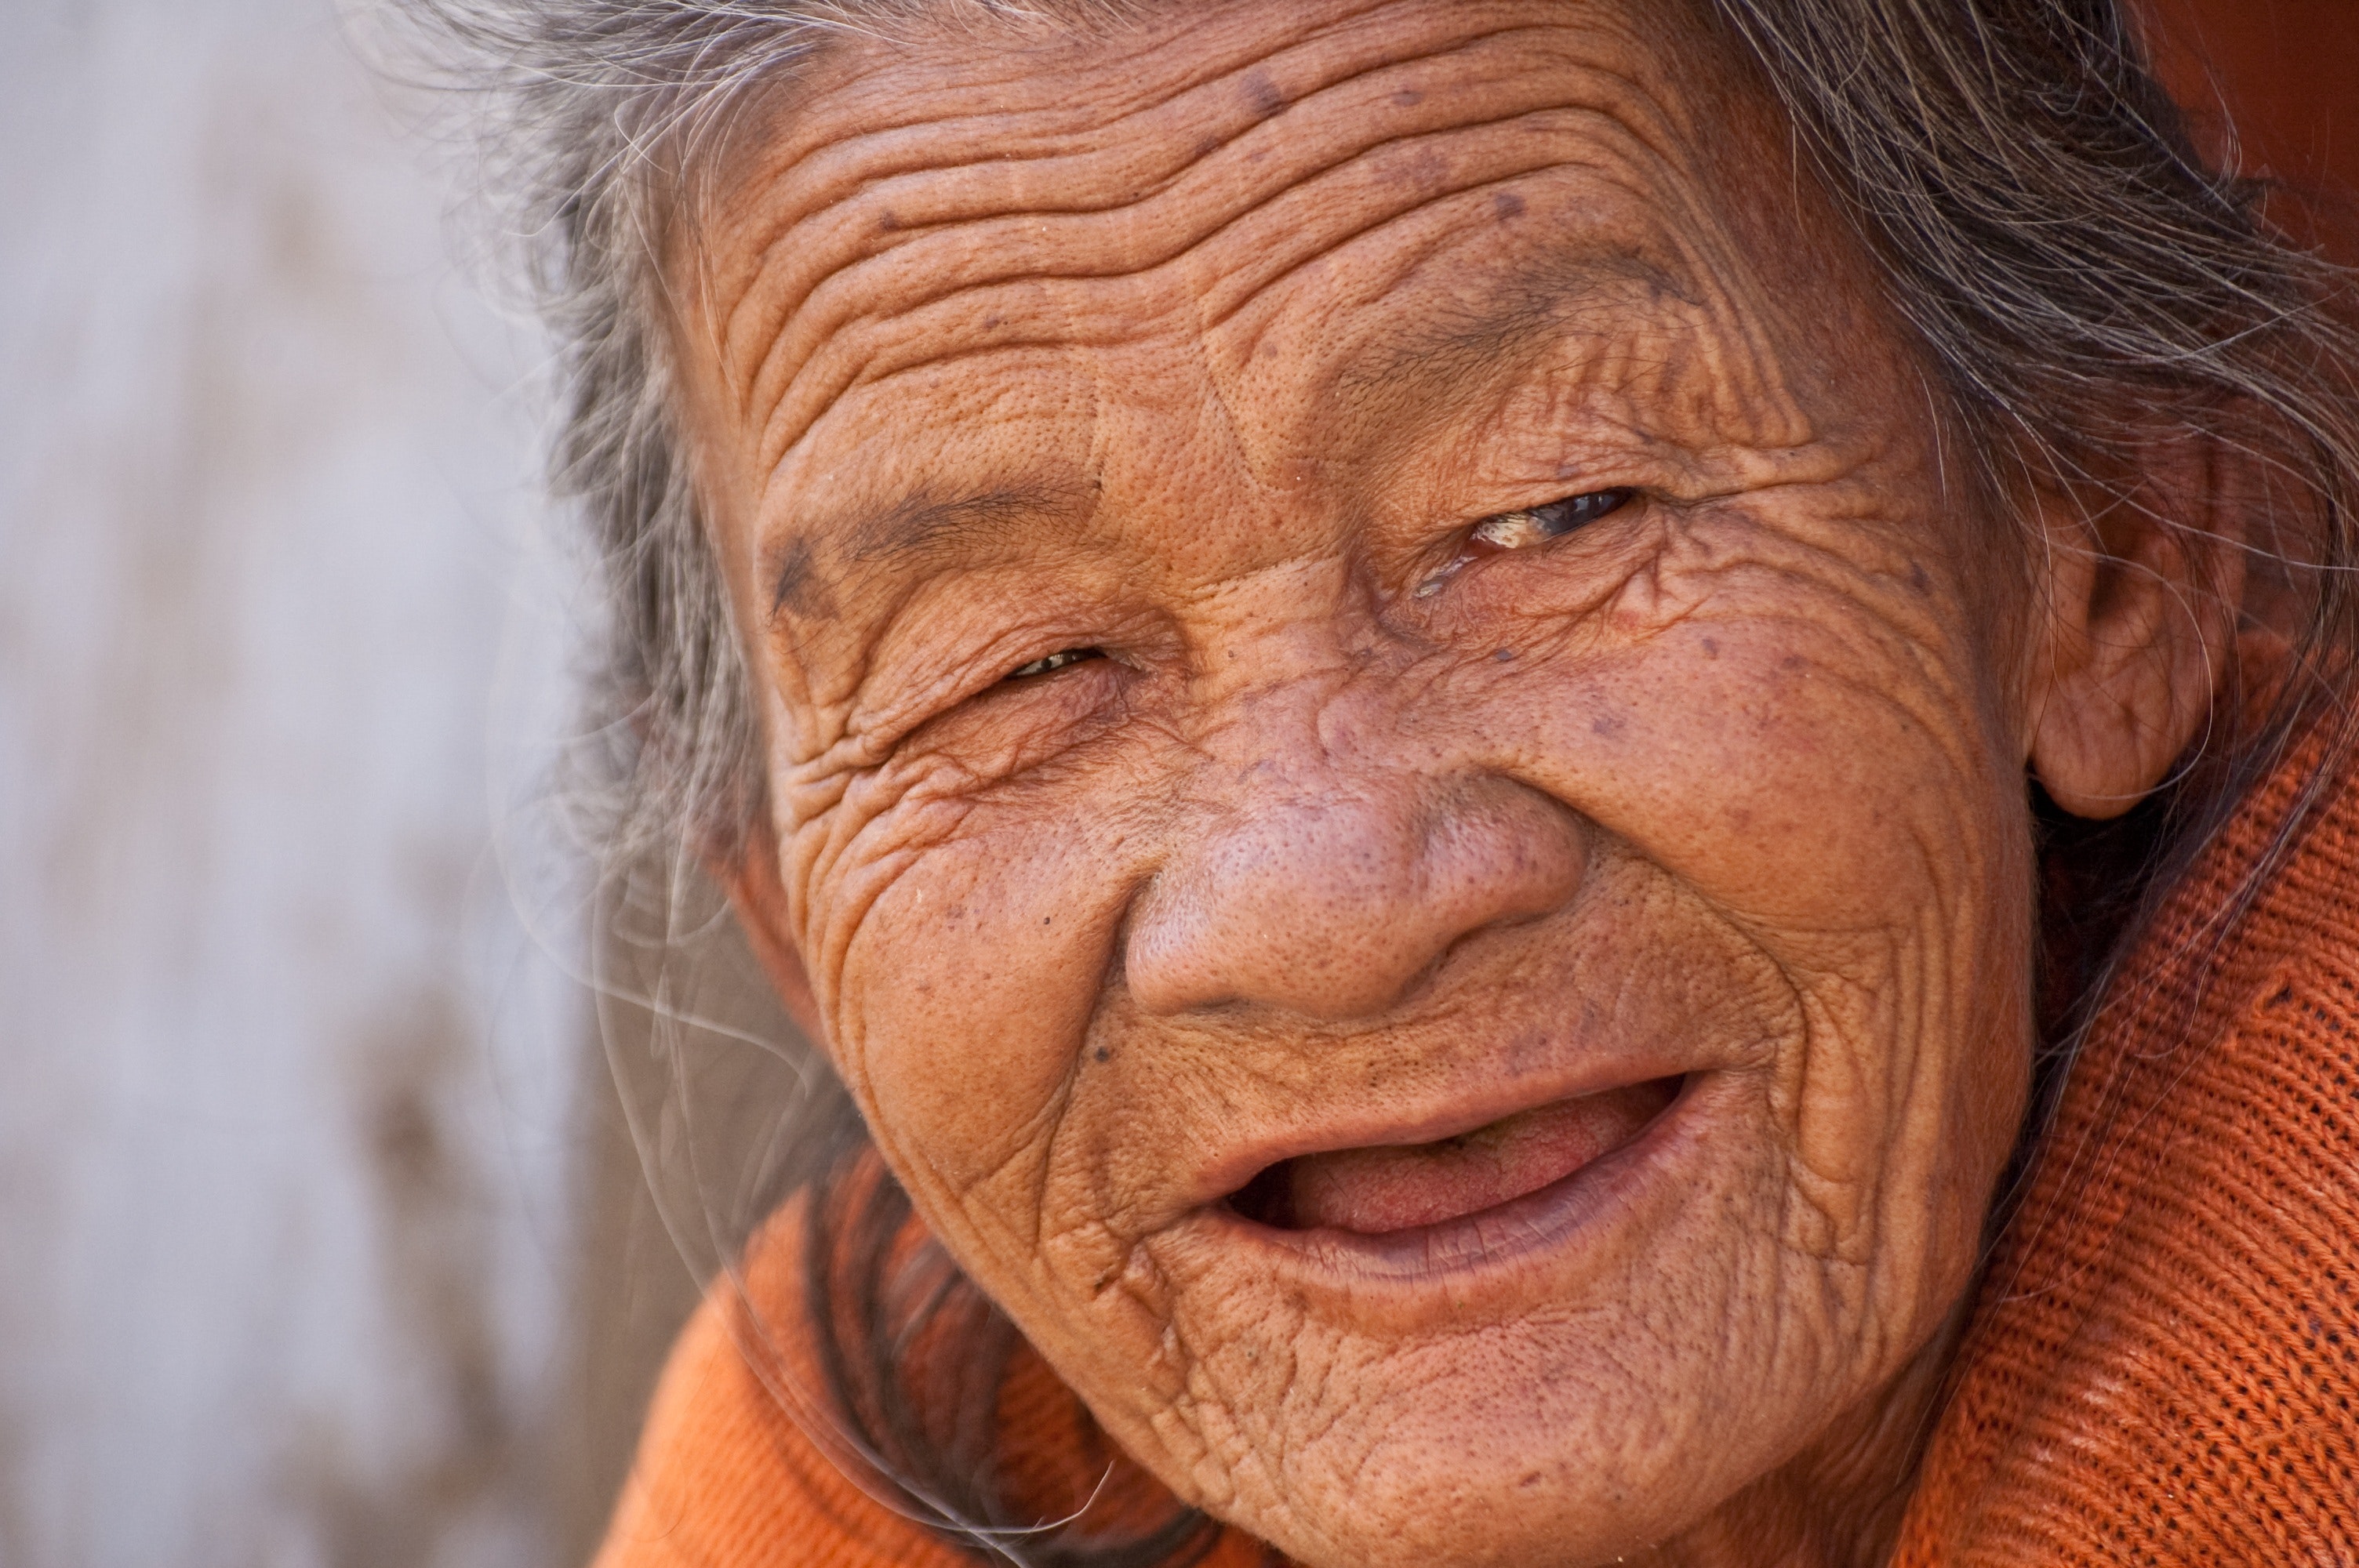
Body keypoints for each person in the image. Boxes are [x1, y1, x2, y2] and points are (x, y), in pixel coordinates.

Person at [436, 0, 2359, 1561]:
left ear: (2114, 564)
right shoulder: (881, 1477)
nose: (1323, 906)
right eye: (1022, 671)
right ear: (793, 932)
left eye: (1553, 512)